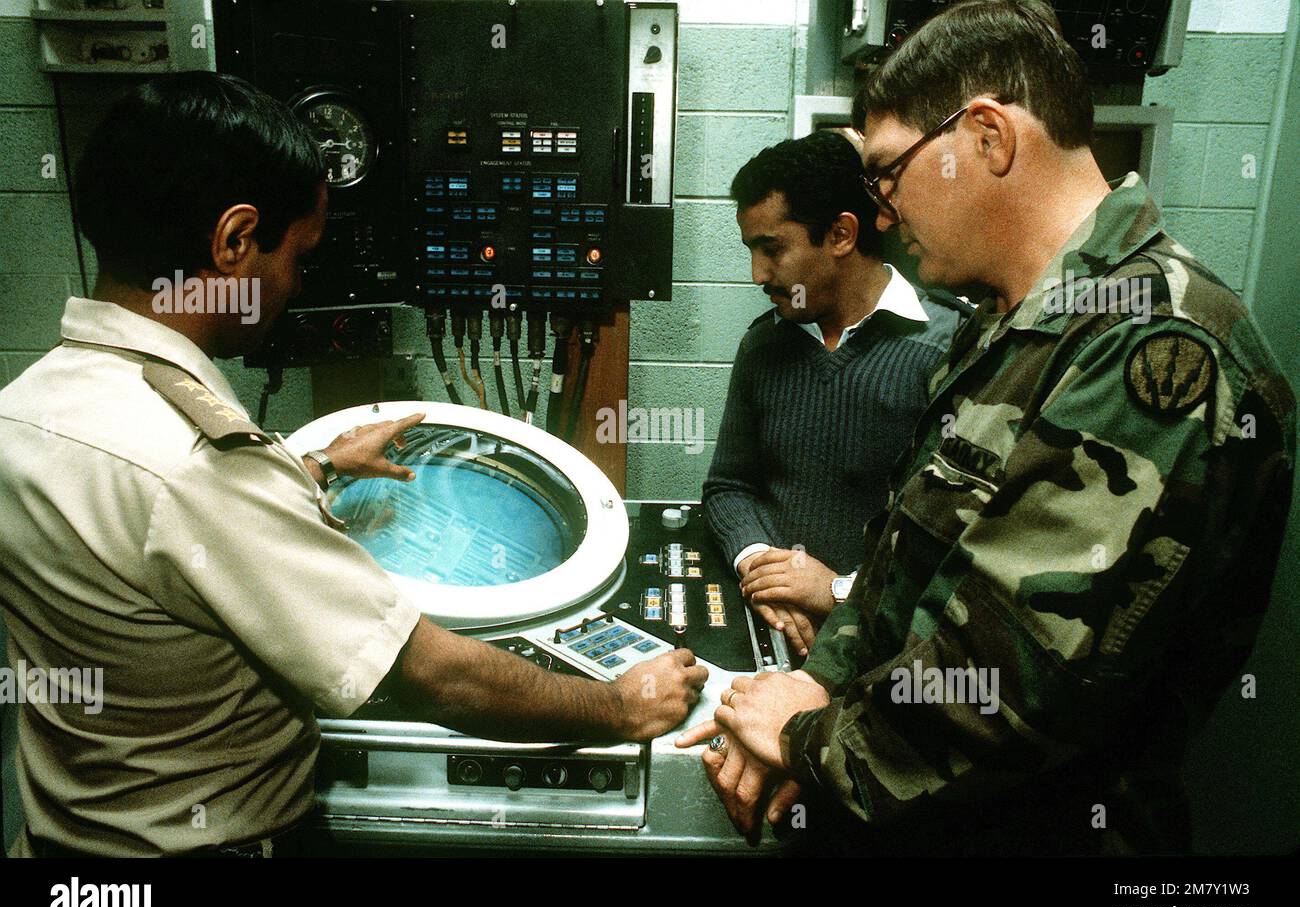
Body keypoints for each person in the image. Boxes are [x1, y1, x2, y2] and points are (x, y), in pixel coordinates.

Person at [0, 72, 706, 858]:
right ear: (234, 240)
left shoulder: (24, 409)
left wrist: (314, 468)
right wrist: (617, 705)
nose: (298, 284)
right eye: (300, 255)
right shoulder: (201, 464)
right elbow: (432, 672)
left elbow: (145, 545)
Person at [680, 0, 1295, 855]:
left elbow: (1012, 690)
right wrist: (813, 694)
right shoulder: (1003, 327)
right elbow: (902, 574)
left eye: (890, 172)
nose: (883, 211)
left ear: (986, 137)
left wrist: (802, 742)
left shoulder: (1155, 347)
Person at [703, 132, 961, 657]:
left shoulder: (951, 347)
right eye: (751, 250)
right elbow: (728, 486)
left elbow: (957, 537)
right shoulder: (764, 344)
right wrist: (763, 570)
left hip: (889, 651)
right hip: (772, 629)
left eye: (772, 248)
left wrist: (838, 591)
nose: (757, 274)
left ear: (841, 234)